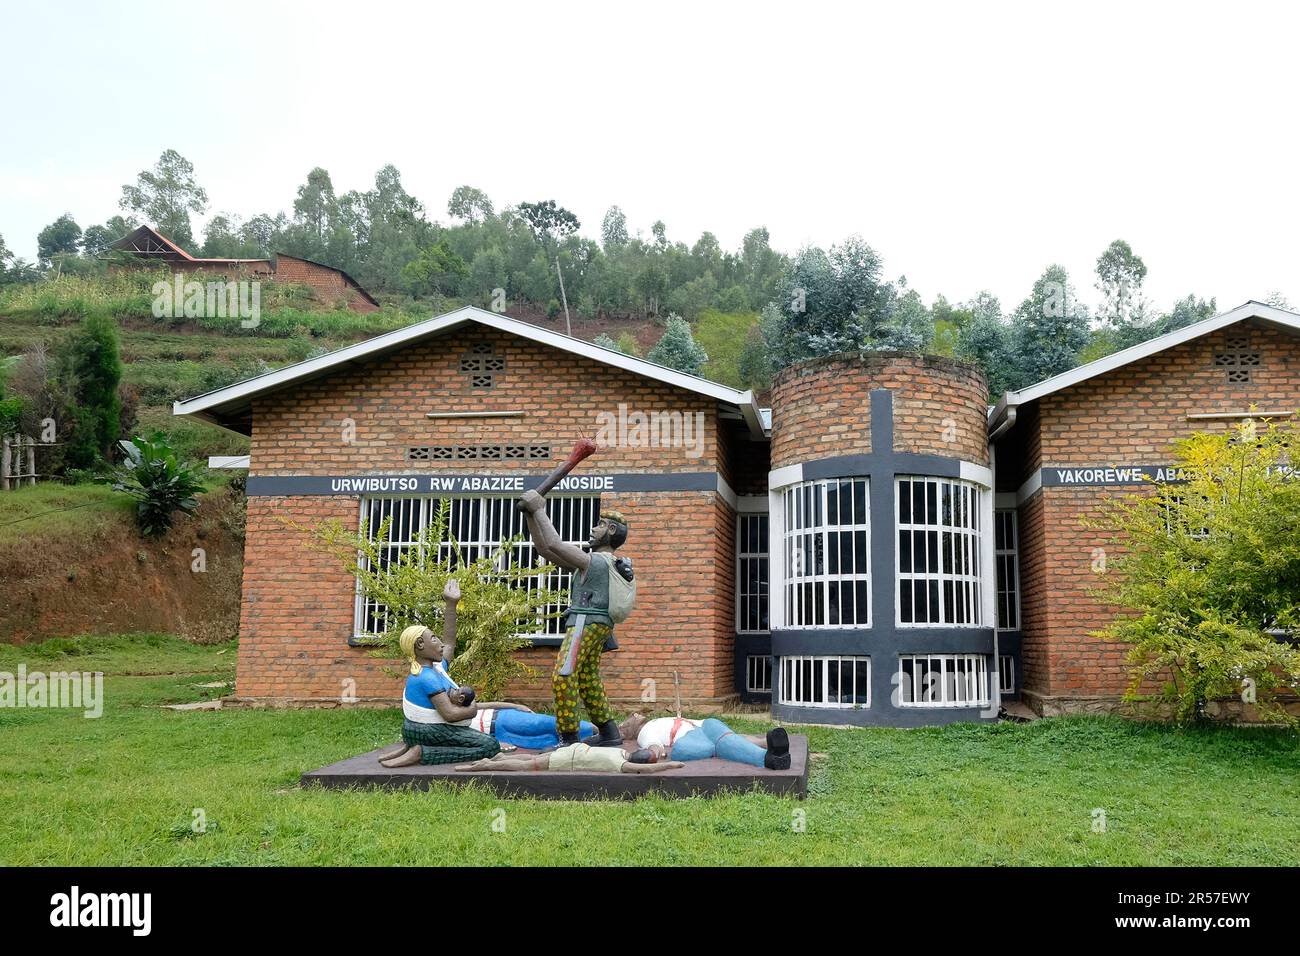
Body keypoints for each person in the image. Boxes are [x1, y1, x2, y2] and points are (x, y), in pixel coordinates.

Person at [518, 488, 631, 748]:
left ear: (611, 531)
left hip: (585, 622)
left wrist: (538, 509)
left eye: (601, 525)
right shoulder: (594, 563)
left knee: (563, 675)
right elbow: (546, 549)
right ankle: (608, 732)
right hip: (596, 624)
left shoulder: (598, 562)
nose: (593, 528)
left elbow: (556, 544)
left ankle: (569, 739)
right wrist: (530, 516)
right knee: (587, 677)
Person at [378, 579, 504, 768]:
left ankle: (413, 746)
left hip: (414, 729)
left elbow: (450, 643)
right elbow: (451, 714)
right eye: (434, 639)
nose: (440, 643)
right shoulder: (427, 677)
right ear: (420, 645)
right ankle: (423, 753)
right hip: (426, 730)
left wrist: (451, 604)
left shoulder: (435, 669)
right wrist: (473, 709)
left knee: (484, 741)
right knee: (490, 745)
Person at [632, 714, 792, 770]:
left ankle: (769, 748)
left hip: (704, 724)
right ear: (629, 731)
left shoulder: (658, 720)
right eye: (626, 723)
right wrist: (647, 755)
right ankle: (768, 753)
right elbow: (654, 748)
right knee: (724, 741)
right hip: (688, 738)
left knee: (728, 737)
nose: (635, 716)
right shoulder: (644, 731)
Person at [455, 741, 684, 775]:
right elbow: (646, 770)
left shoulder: (621, 751)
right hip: (569, 760)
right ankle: (487, 764)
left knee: (535, 757)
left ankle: (494, 759)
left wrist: (658, 752)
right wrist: (670, 764)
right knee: (528, 765)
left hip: (574, 750)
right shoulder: (621, 763)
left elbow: (647, 756)